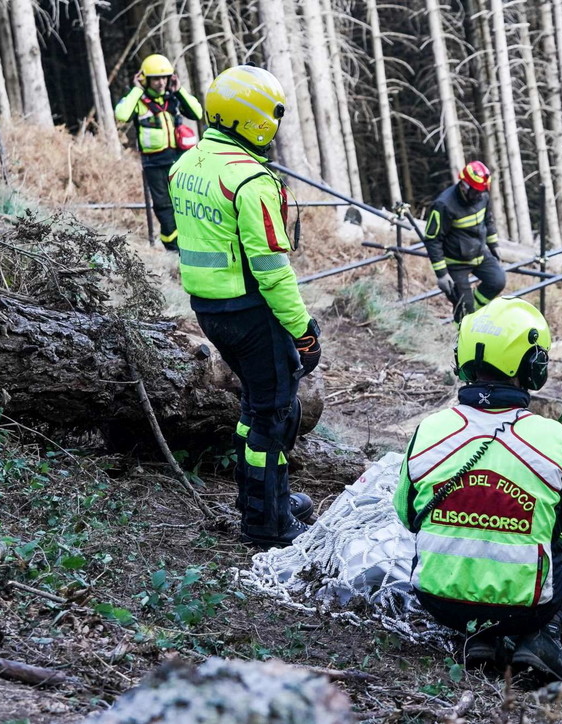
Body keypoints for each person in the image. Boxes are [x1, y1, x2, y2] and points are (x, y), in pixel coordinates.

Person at [394, 297, 562, 683]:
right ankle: (549, 634)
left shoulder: (428, 431)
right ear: (532, 366)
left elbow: (408, 516)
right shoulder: (556, 440)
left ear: (462, 358)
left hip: (437, 602)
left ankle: (480, 637)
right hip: (528, 609)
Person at [168, 65, 321, 548]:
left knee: (255, 405)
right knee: (274, 413)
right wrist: (303, 329)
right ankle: (267, 523)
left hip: (209, 310)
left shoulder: (186, 165)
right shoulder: (250, 180)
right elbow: (272, 270)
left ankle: (264, 497)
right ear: (257, 119)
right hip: (252, 313)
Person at [114, 53, 204, 253]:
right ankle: (173, 248)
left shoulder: (174, 98)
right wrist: (137, 90)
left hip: (180, 160)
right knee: (163, 206)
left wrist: (179, 89)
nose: (161, 82)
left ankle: (192, 242)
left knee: (186, 201)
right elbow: (121, 115)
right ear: (145, 79)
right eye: (156, 78)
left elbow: (197, 113)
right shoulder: (138, 100)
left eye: (164, 77)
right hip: (153, 163)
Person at [424, 160, 507, 322]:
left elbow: (488, 220)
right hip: (455, 263)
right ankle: (461, 336)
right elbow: (432, 239)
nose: (479, 195)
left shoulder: (482, 196)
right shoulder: (444, 205)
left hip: (479, 254)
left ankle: (473, 311)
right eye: (476, 191)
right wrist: (442, 274)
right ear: (464, 185)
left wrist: (494, 245)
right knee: (462, 305)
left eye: (482, 191)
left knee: (497, 281)